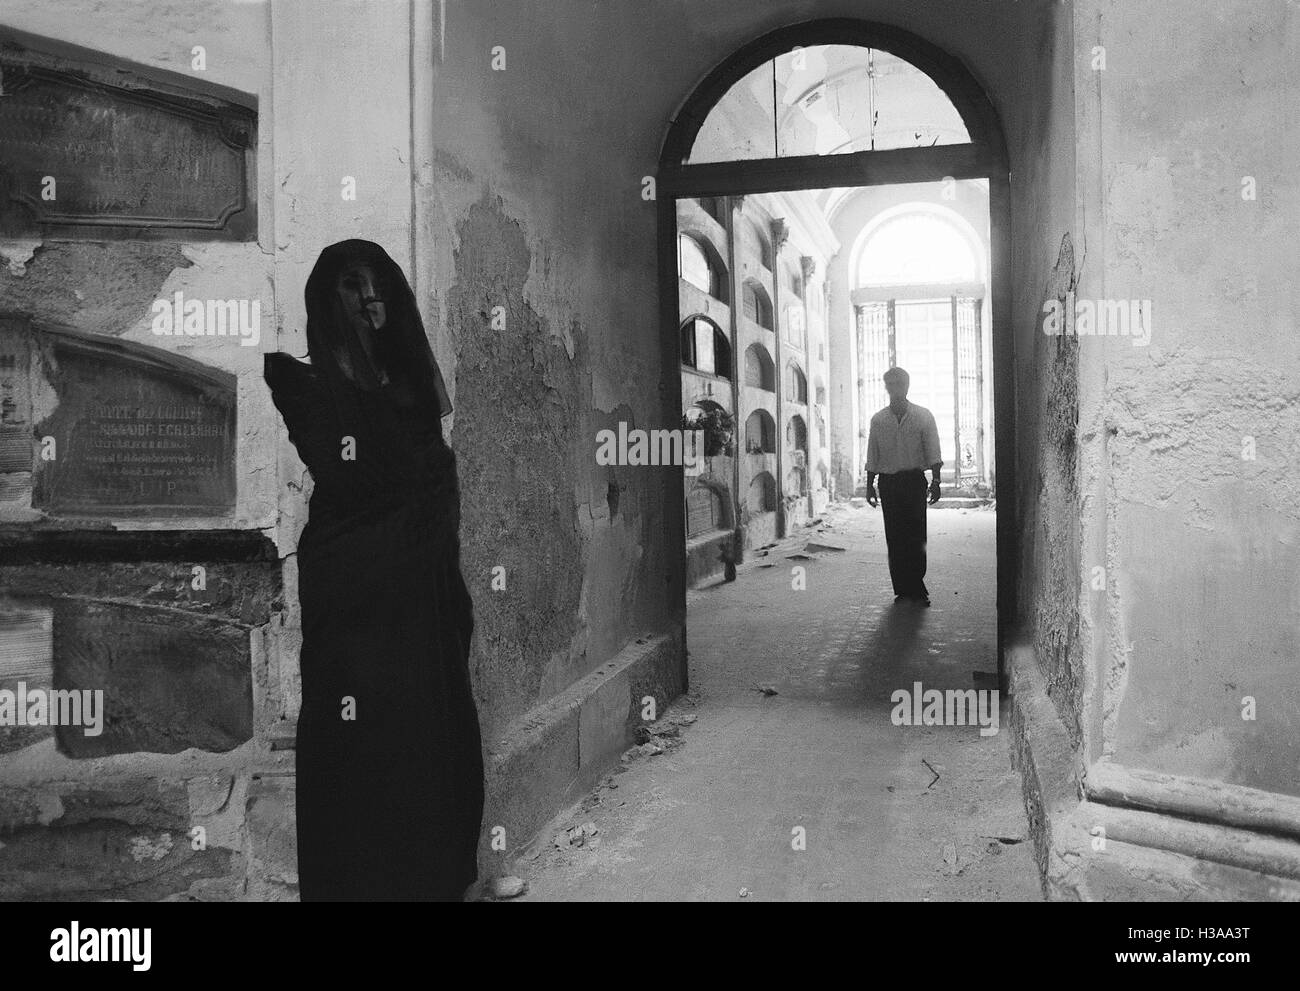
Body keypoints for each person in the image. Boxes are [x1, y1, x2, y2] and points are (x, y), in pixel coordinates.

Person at [264, 239, 483, 901]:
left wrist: (420, 521)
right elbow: (350, 474)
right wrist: (410, 512)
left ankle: (429, 880)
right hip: (353, 599)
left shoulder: (409, 381)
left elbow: (438, 480)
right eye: (352, 284)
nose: (369, 297)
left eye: (379, 283)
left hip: (421, 595)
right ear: (327, 297)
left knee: (424, 735)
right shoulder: (296, 381)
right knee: (356, 739)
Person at [865, 367, 943, 606]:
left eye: (900, 383)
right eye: (891, 384)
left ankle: (917, 585)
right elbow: (873, 455)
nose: (895, 388)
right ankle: (902, 588)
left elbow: (933, 450)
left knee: (916, 535)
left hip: (913, 482)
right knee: (895, 536)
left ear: (907, 386)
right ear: (886, 387)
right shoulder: (878, 420)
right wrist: (870, 486)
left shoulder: (923, 416)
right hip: (889, 484)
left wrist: (937, 481)